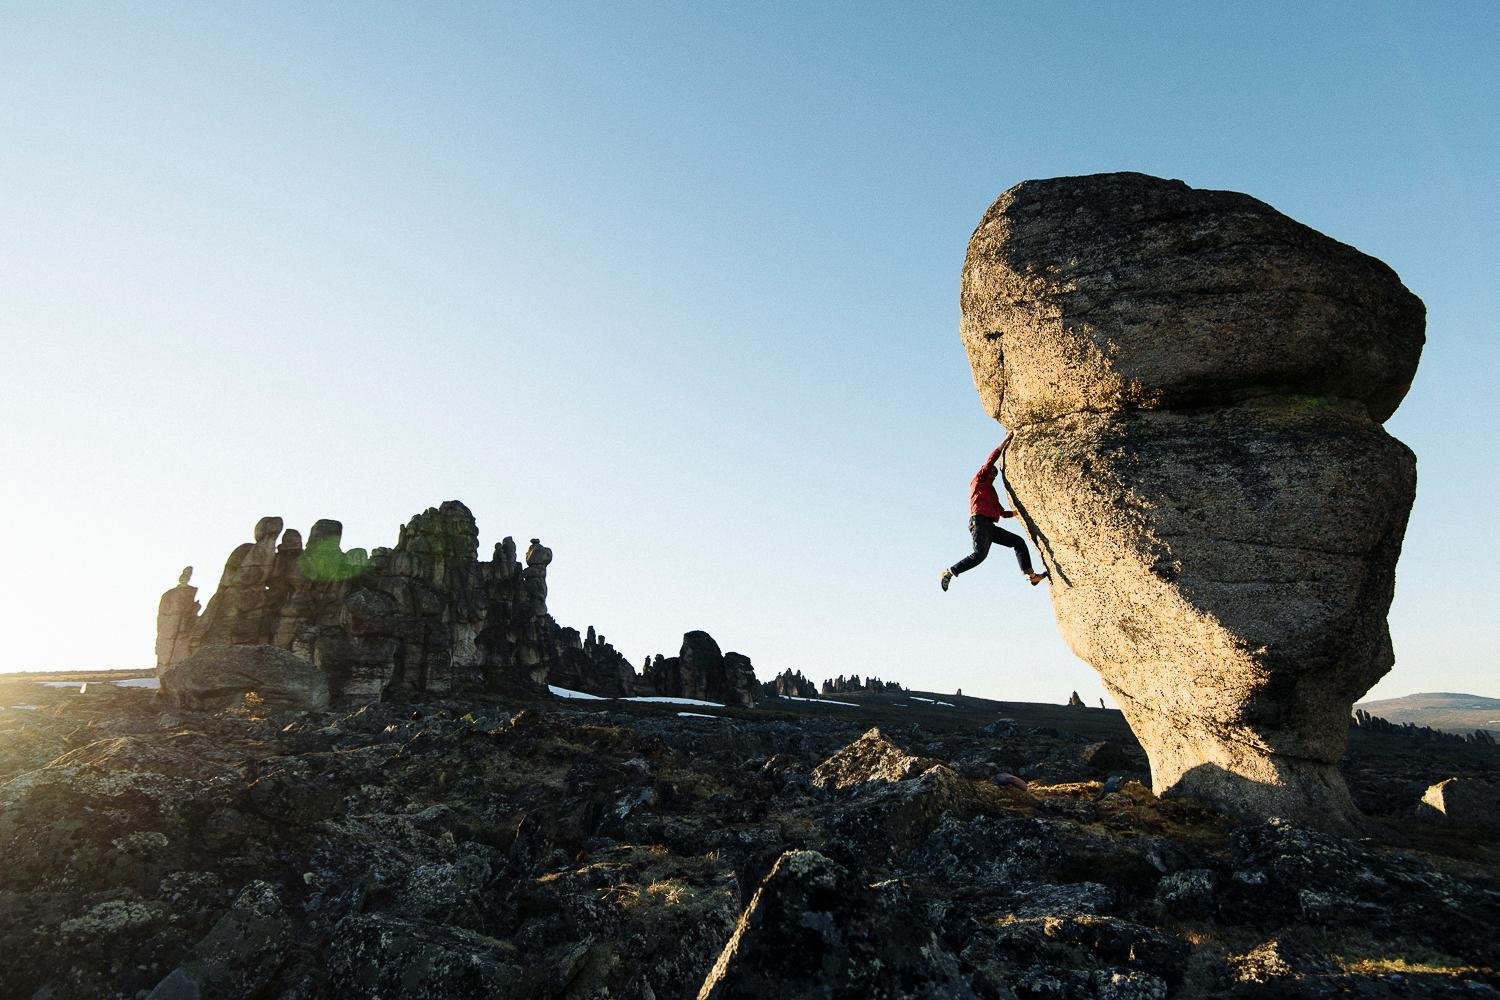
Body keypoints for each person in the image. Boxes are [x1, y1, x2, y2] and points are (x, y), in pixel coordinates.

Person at [940, 445, 1047, 590]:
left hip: (990, 527)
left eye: (994, 475)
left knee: (1018, 542)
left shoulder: (992, 491)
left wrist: (1020, 512)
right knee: (979, 555)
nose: (992, 476)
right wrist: (1004, 444)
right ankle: (949, 573)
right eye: (991, 472)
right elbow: (991, 460)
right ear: (985, 471)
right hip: (978, 522)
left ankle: (1032, 576)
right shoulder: (978, 481)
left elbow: (1002, 513)